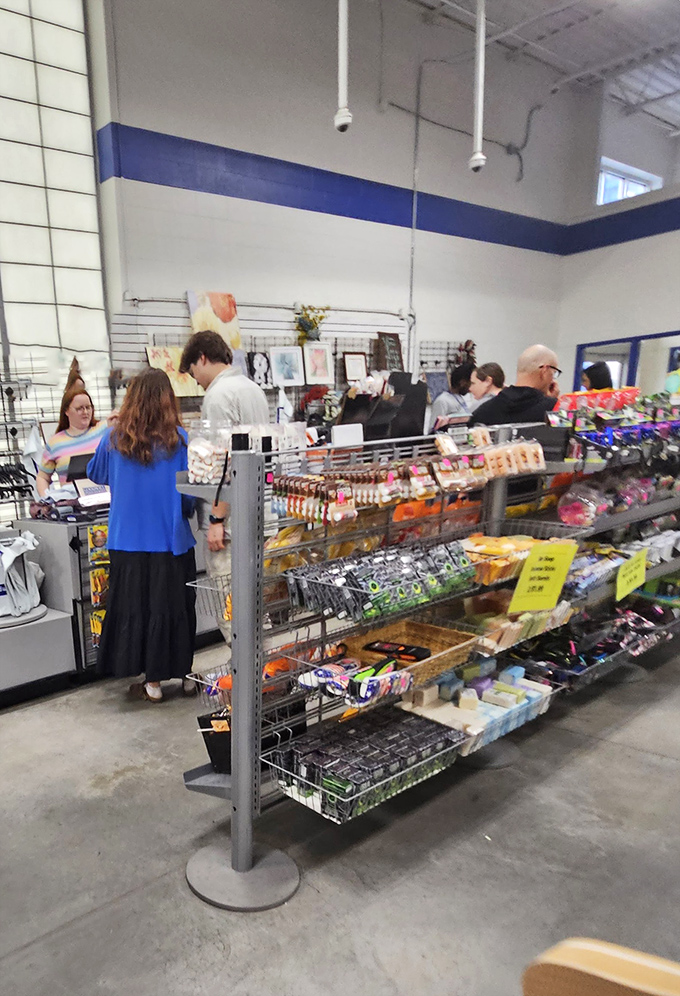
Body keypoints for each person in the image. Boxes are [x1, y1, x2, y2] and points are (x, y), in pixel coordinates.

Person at [86, 369, 197, 703]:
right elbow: (189, 493)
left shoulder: (114, 438)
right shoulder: (180, 439)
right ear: (168, 399)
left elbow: (96, 473)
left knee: (138, 610)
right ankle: (185, 675)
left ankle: (152, 682)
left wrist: (108, 428)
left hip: (126, 540)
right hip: (170, 539)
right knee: (175, 609)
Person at [179, 330, 269, 640]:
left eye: (194, 373)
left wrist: (217, 519)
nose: (197, 381)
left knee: (233, 608)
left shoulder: (218, 396)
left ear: (202, 358)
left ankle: (247, 684)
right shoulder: (252, 389)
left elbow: (224, 465)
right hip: (258, 513)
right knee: (257, 605)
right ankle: (266, 678)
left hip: (230, 521)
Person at [36, 386, 108, 496]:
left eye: (88, 407)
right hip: (73, 506)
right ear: (66, 411)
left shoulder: (104, 429)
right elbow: (43, 477)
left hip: (106, 501)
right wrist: (46, 500)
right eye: (79, 408)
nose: (85, 412)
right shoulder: (55, 443)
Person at [470, 344, 560, 426]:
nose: (553, 379)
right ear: (544, 371)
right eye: (554, 373)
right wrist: (554, 403)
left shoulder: (482, 412)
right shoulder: (554, 412)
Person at [428, 362, 475, 430]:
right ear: (462, 382)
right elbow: (433, 428)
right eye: (471, 383)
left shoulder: (460, 397)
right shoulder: (443, 400)